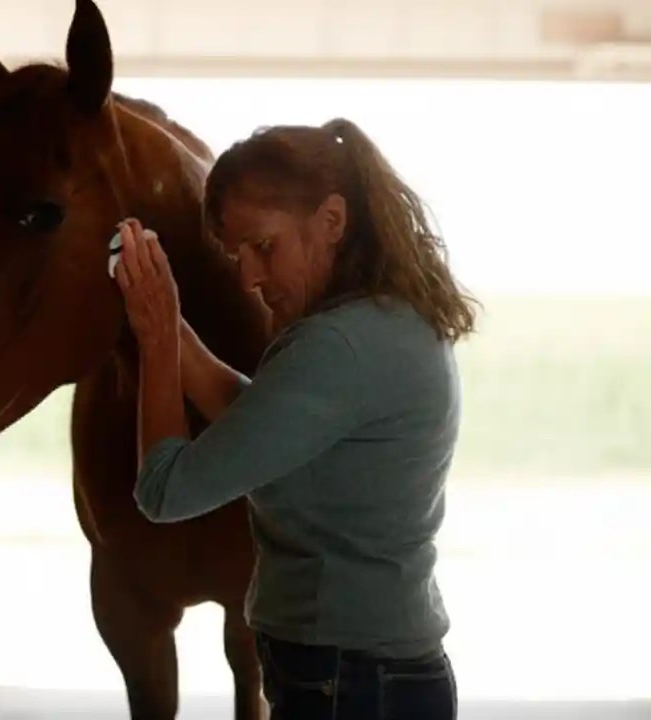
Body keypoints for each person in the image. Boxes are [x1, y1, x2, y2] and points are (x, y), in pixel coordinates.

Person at [112, 117, 476, 719]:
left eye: (263, 246)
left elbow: (164, 489)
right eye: (237, 256)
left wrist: (154, 341)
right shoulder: (383, 322)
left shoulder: (335, 347)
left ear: (331, 221)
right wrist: (169, 323)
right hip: (372, 677)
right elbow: (265, 425)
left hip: (348, 686)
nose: (249, 277)